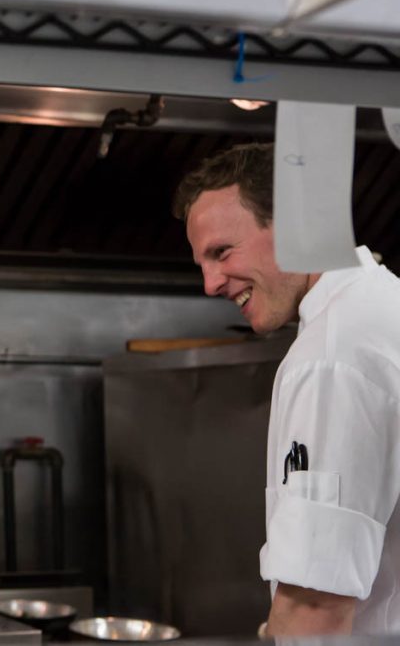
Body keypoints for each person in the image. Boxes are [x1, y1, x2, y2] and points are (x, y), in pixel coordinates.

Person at [174, 142, 400, 635]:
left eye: (222, 252)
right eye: (202, 264)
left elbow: (315, 605)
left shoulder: (332, 354)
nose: (210, 283)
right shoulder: (385, 307)